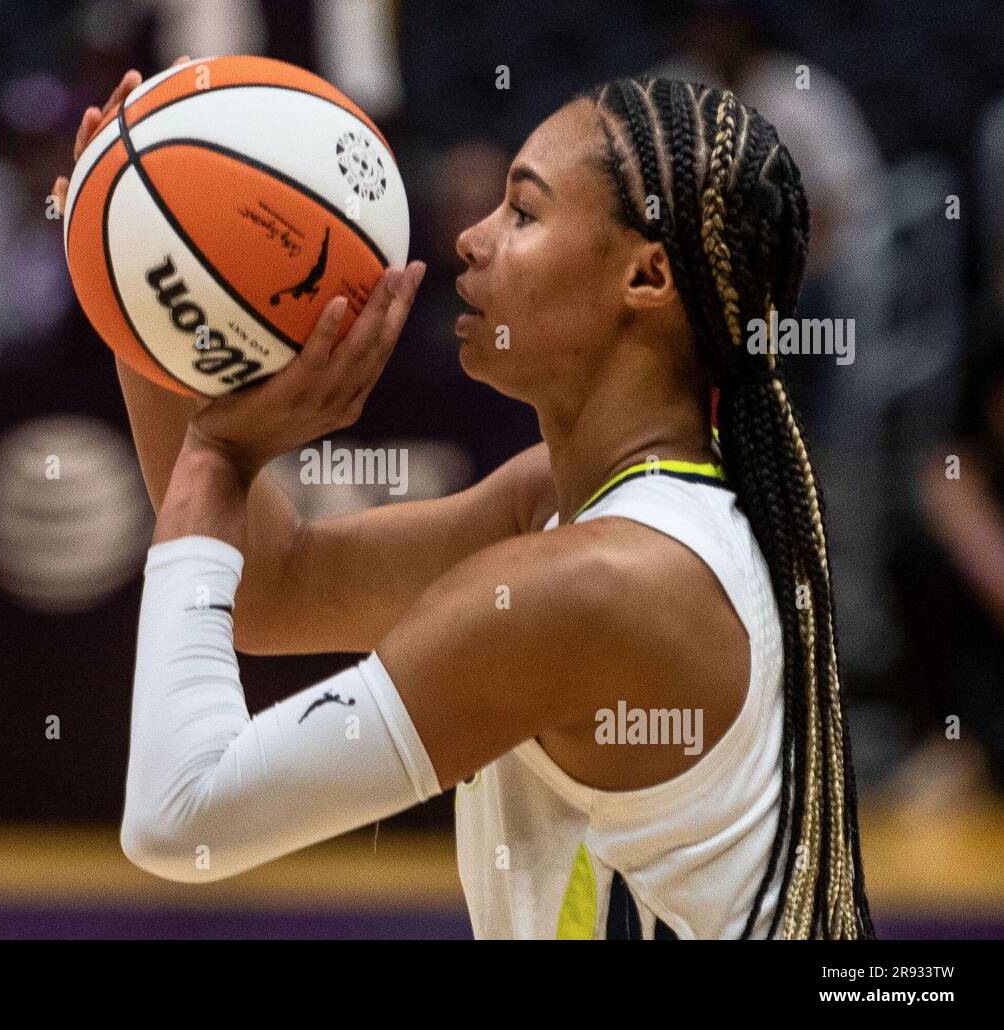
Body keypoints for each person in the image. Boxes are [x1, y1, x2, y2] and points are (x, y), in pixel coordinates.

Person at [52, 68, 873, 939]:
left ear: (647, 276)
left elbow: (182, 821)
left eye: (523, 213)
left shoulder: (600, 585)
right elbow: (275, 586)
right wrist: (137, 269)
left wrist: (217, 459)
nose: (471, 239)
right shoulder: (564, 504)